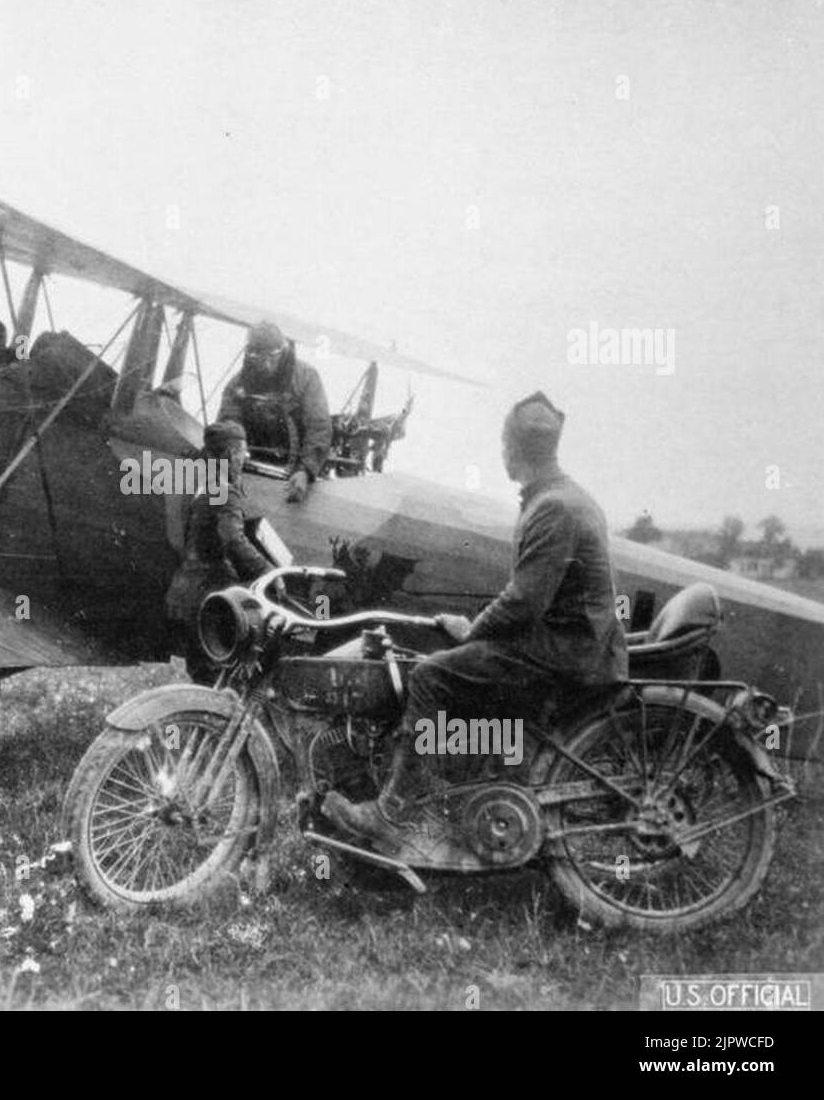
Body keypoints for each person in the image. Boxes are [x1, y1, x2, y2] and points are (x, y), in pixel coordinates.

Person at [322, 391, 628, 858]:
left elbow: (524, 600)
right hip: (571, 643)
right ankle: (456, 791)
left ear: (512, 447)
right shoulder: (565, 498)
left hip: (564, 652)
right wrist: (477, 626)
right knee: (457, 668)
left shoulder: (553, 507)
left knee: (429, 676)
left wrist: (474, 630)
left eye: (504, 444)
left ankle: (392, 815)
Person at [165, 420, 273, 682]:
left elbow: (179, 538)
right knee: (222, 678)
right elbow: (232, 539)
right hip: (212, 599)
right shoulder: (226, 492)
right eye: (241, 454)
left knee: (202, 677)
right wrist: (269, 572)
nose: (243, 460)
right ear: (229, 454)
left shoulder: (202, 487)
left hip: (184, 594)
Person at [218, 321, 331, 503]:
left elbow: (319, 427)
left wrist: (306, 471)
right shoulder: (237, 385)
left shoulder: (306, 377)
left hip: (296, 474)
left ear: (283, 351)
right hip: (251, 470)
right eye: (259, 357)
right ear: (250, 354)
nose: (267, 365)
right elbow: (228, 422)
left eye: (273, 357)